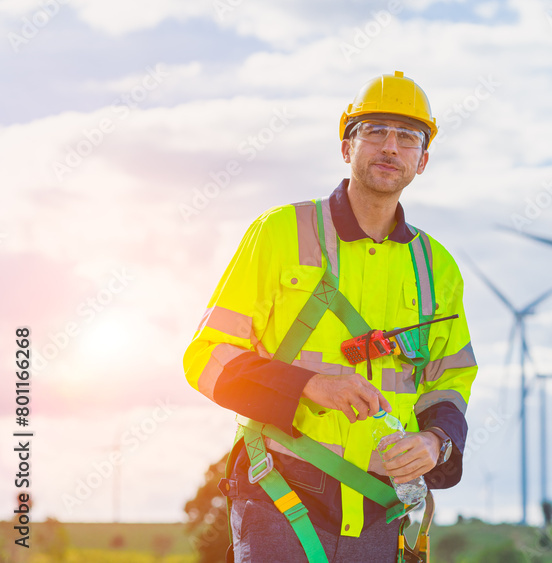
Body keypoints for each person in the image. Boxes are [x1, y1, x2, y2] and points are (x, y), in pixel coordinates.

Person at [183, 71, 477, 562]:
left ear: (423, 160)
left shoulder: (437, 266)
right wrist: (309, 386)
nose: (391, 146)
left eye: (408, 137)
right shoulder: (279, 232)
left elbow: (451, 379)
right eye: (375, 131)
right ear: (346, 146)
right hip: (281, 485)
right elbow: (206, 357)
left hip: (381, 504)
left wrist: (436, 441)